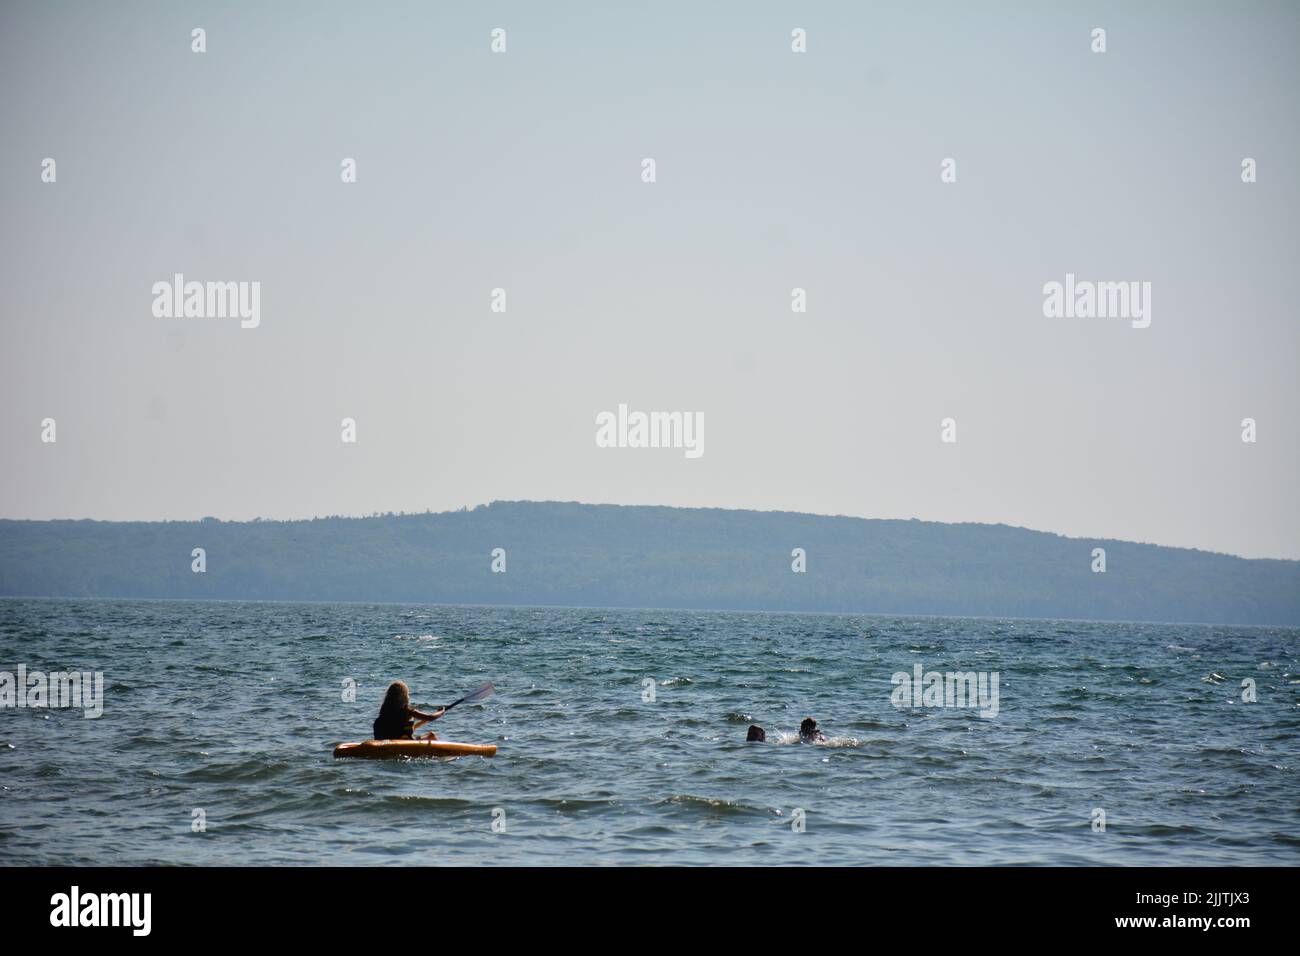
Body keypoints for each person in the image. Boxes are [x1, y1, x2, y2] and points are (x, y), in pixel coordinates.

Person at [373, 680, 445, 740]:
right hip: (401, 742)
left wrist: (423, 721)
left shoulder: (385, 711)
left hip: (386, 740)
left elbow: (397, 728)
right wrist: (441, 712)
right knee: (431, 735)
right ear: (404, 696)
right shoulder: (407, 711)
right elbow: (430, 717)